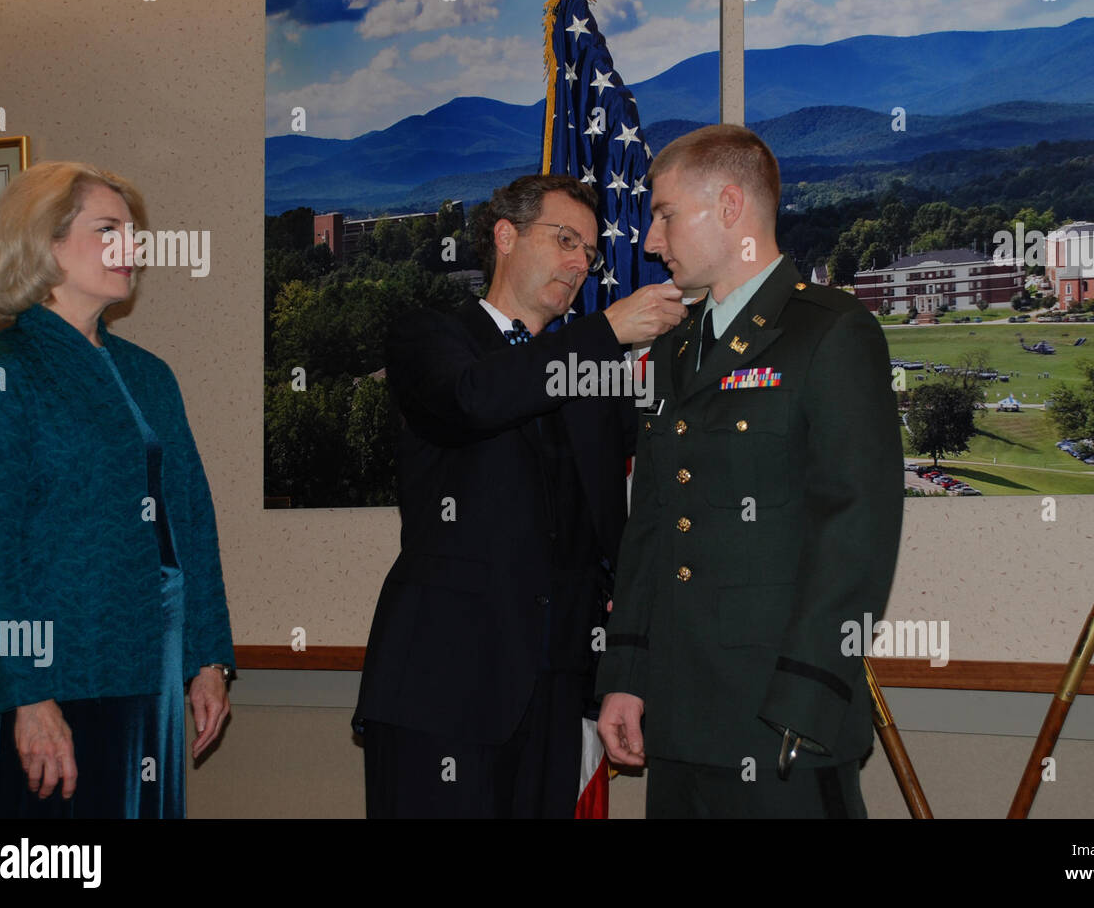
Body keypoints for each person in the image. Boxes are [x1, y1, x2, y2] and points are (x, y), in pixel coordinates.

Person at [353, 173, 685, 818]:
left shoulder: (592, 371)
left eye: (590, 253)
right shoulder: (429, 337)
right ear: (505, 236)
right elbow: (472, 401)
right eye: (565, 240)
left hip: (558, 692)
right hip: (441, 689)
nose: (580, 264)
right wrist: (605, 331)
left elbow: (661, 444)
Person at [595, 125, 904, 818]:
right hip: (678, 717)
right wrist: (626, 675)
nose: (651, 239)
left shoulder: (829, 331)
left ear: (730, 207)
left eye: (666, 214)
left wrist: (808, 696)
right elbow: (651, 528)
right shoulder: (673, 349)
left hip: (779, 721)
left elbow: (856, 530)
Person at [0, 161, 235, 818]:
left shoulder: (150, 374)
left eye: (133, 232)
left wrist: (208, 658)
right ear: (46, 243)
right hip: (53, 674)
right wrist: (27, 695)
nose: (131, 246)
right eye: (108, 229)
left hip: (152, 663)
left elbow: (193, 521)